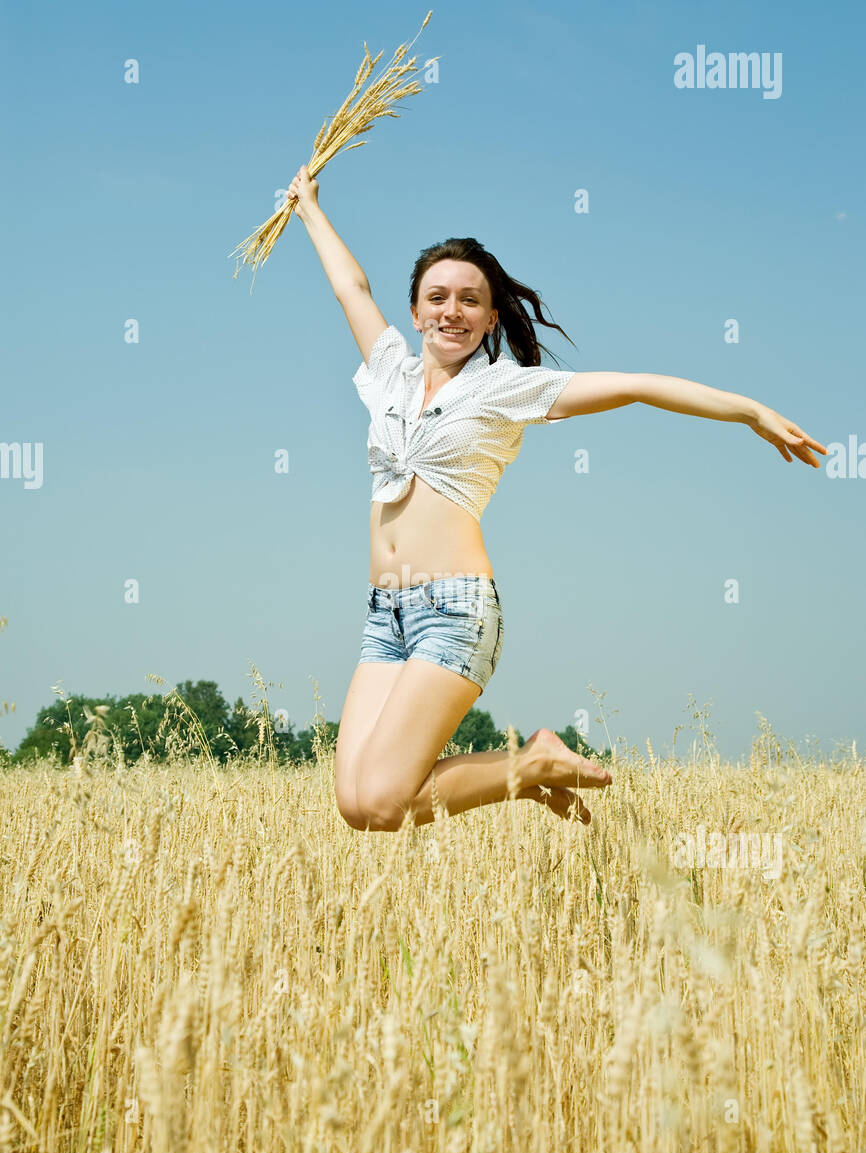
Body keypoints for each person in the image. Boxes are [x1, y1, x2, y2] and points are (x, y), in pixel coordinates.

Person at [287, 165, 826, 833]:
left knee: (388, 802)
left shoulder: (504, 389)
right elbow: (350, 286)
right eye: (437, 297)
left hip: (454, 609)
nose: (451, 311)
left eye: (469, 300)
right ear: (415, 309)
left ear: (488, 317)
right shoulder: (387, 371)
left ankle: (537, 763)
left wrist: (747, 410)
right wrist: (308, 207)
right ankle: (524, 769)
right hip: (383, 613)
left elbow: (634, 385)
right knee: (360, 809)